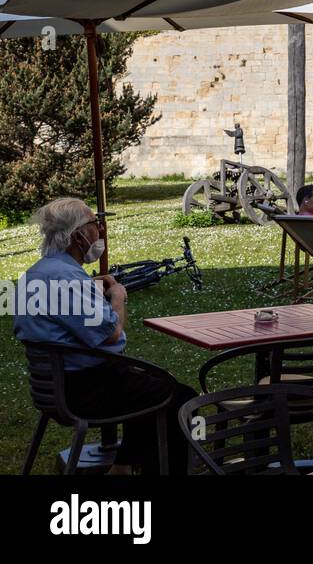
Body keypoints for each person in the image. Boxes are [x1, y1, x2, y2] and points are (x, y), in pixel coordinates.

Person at [12, 198, 197, 474]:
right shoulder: (68, 280)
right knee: (181, 397)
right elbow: (112, 335)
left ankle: (121, 466)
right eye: (94, 223)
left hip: (52, 386)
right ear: (78, 235)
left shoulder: (35, 274)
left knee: (149, 384)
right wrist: (118, 298)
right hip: (84, 390)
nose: (100, 229)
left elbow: (64, 317)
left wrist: (92, 290)